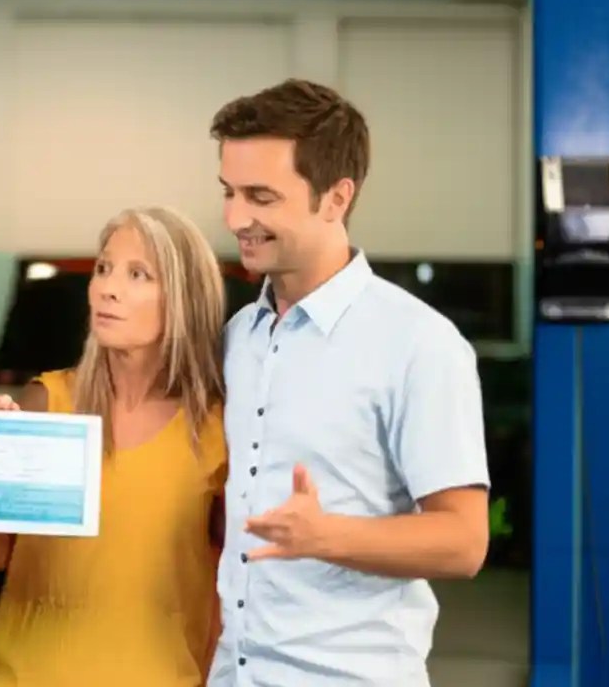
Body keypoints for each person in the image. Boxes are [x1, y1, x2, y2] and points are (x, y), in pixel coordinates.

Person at [206, 78, 491, 687]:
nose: (236, 218)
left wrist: (325, 535)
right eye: (229, 192)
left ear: (336, 197)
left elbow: (464, 542)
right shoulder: (239, 337)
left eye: (261, 196)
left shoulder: (418, 344)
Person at [0, 206, 231, 686]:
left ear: (184, 298)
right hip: (24, 675)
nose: (108, 287)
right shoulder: (50, 399)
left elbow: (227, 584)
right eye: (103, 268)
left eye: (138, 274)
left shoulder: (217, 429)